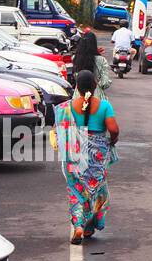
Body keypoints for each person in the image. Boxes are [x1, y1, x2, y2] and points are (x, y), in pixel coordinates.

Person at [51, 68, 119, 245]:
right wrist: (113, 141)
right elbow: (113, 130)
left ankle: (80, 226)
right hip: (97, 156)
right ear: (95, 85)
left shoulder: (67, 108)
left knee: (76, 192)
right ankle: (90, 224)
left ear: (77, 87)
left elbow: (58, 130)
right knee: (97, 190)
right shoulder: (104, 106)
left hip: (74, 154)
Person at [71, 30, 112, 98]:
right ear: (94, 44)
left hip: (78, 97)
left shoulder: (75, 59)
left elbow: (75, 78)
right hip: (97, 97)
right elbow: (105, 82)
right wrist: (98, 85)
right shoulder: (101, 60)